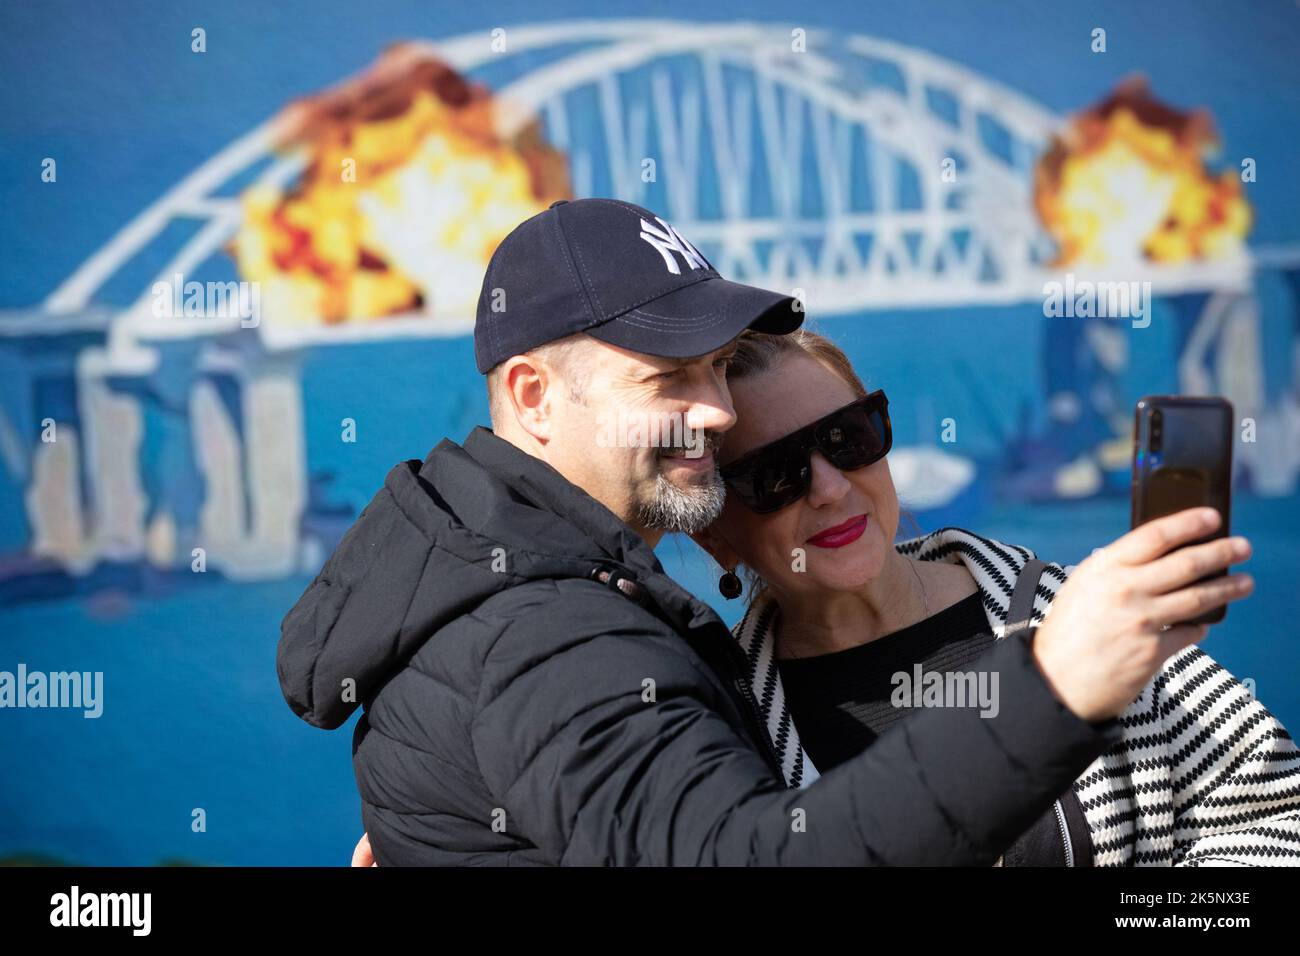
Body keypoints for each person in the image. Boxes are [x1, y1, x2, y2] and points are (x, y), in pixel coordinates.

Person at [280, 198, 1227, 866]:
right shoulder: (546, 634)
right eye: (666, 379)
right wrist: (1056, 683)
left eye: (853, 438)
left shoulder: (566, 600)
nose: (717, 412)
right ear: (533, 398)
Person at [690, 327, 1300, 866]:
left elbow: (1274, 815)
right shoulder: (723, 726)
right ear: (716, 535)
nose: (828, 487)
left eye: (847, 438)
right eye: (775, 474)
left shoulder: (1074, 612)